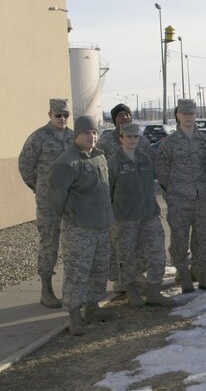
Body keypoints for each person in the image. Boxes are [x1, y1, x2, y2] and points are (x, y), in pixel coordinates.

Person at [47, 115, 115, 336]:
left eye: (94, 132)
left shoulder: (99, 158)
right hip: (79, 229)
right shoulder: (66, 162)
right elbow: (56, 199)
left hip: (102, 226)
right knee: (77, 273)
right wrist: (72, 218)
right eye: (87, 132)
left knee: (99, 269)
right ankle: (75, 314)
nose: (91, 136)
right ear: (76, 135)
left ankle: (93, 308)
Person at [154, 99, 206, 292]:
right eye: (184, 114)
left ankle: (205, 276)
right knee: (179, 240)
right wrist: (173, 191)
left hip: (202, 199)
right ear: (177, 116)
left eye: (191, 113)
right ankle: (184, 277)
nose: (188, 117)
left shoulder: (204, 141)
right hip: (179, 199)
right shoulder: (170, 143)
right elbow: (161, 169)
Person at [108, 123, 176, 308]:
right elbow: (108, 192)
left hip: (149, 215)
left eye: (135, 137)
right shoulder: (113, 162)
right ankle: (131, 291)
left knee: (157, 253)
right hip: (124, 218)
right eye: (128, 137)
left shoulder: (145, 159)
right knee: (126, 256)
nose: (132, 140)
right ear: (121, 138)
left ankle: (154, 291)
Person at [18, 98, 74, 308]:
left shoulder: (73, 137)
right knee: (49, 244)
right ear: (50, 114)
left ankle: (72, 290)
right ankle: (47, 290)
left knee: (73, 244)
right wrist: (39, 188)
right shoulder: (38, 137)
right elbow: (25, 165)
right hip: (48, 202)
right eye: (58, 115)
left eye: (66, 115)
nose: (62, 119)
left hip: (71, 201)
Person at [98, 103, 154, 293]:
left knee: (139, 242)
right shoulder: (105, 142)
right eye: (121, 116)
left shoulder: (143, 141)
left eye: (127, 115)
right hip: (117, 202)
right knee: (118, 245)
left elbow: (150, 166)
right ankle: (120, 280)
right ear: (114, 120)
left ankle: (138, 275)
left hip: (139, 202)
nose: (124, 118)